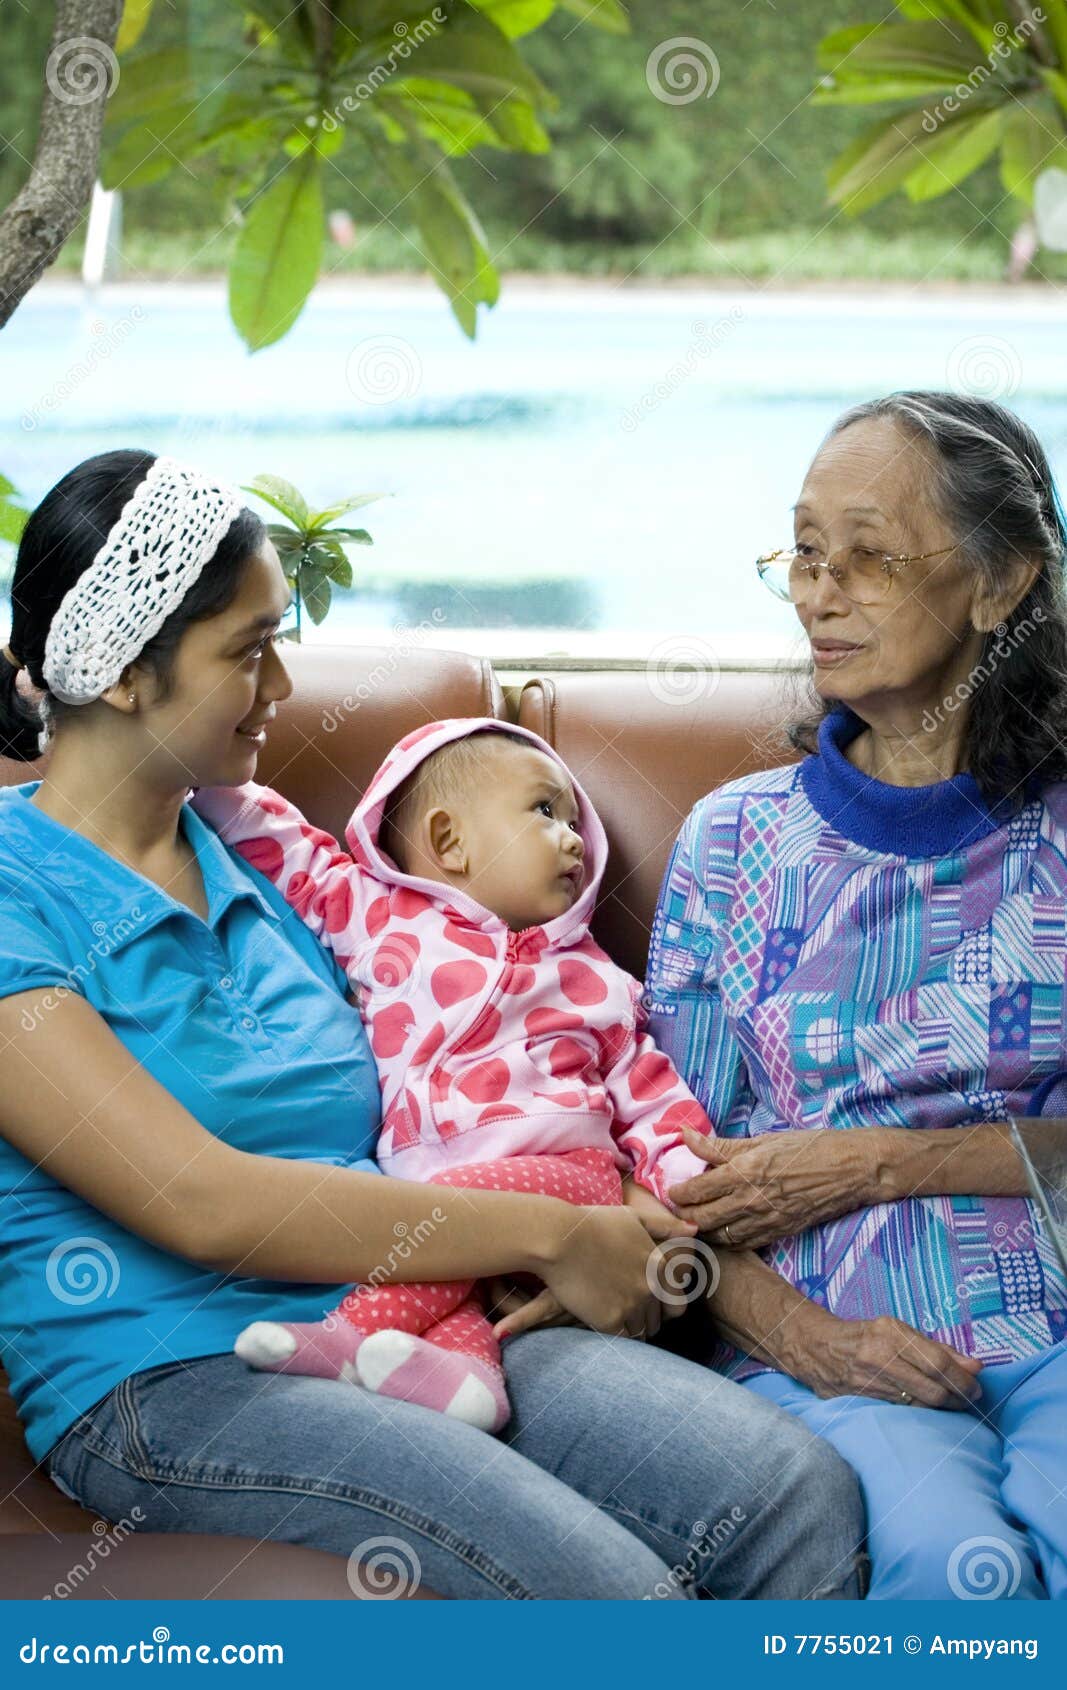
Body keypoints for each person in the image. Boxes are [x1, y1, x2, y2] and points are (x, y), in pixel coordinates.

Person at [0, 447, 865, 1601]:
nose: (282, 690)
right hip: (168, 1375)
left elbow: (474, 1059)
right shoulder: (16, 895)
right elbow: (201, 1204)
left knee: (794, 1495)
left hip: (408, 1320)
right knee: (611, 1597)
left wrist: (620, 1216)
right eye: (249, 652)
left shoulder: (278, 866)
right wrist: (546, 1236)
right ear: (123, 675)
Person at [647, 392, 1067, 1601]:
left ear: (1000, 584)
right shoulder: (734, 843)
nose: (818, 592)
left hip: (1050, 1319)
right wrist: (798, 1338)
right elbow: (658, 1163)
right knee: (956, 1571)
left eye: (870, 556)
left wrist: (888, 1160)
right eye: (805, 552)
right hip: (830, 1330)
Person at [189, 718, 712, 1433]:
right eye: (543, 811)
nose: (573, 839)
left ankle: (350, 1334)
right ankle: (469, 1380)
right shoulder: (375, 918)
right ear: (447, 841)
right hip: (425, 1193)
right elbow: (289, 852)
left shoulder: (594, 977)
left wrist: (690, 1201)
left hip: (570, 1178)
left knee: (433, 1233)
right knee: (446, 1277)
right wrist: (205, 775)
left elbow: (652, 1099)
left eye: (572, 821)